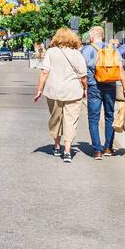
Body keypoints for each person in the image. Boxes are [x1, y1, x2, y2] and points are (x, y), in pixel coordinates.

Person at [33, 27, 87, 162]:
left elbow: (44, 72)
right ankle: (67, 151)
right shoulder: (77, 54)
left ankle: (57, 147)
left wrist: (39, 90)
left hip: (54, 91)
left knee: (55, 118)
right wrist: (85, 89)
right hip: (73, 92)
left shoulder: (51, 52)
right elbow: (83, 76)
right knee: (71, 120)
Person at [80, 27, 125, 159]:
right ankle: (108, 148)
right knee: (109, 116)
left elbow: (81, 72)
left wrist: (83, 88)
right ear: (102, 36)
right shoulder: (112, 49)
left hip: (93, 86)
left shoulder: (85, 50)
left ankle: (97, 151)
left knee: (93, 118)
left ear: (92, 37)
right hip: (110, 85)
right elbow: (120, 70)